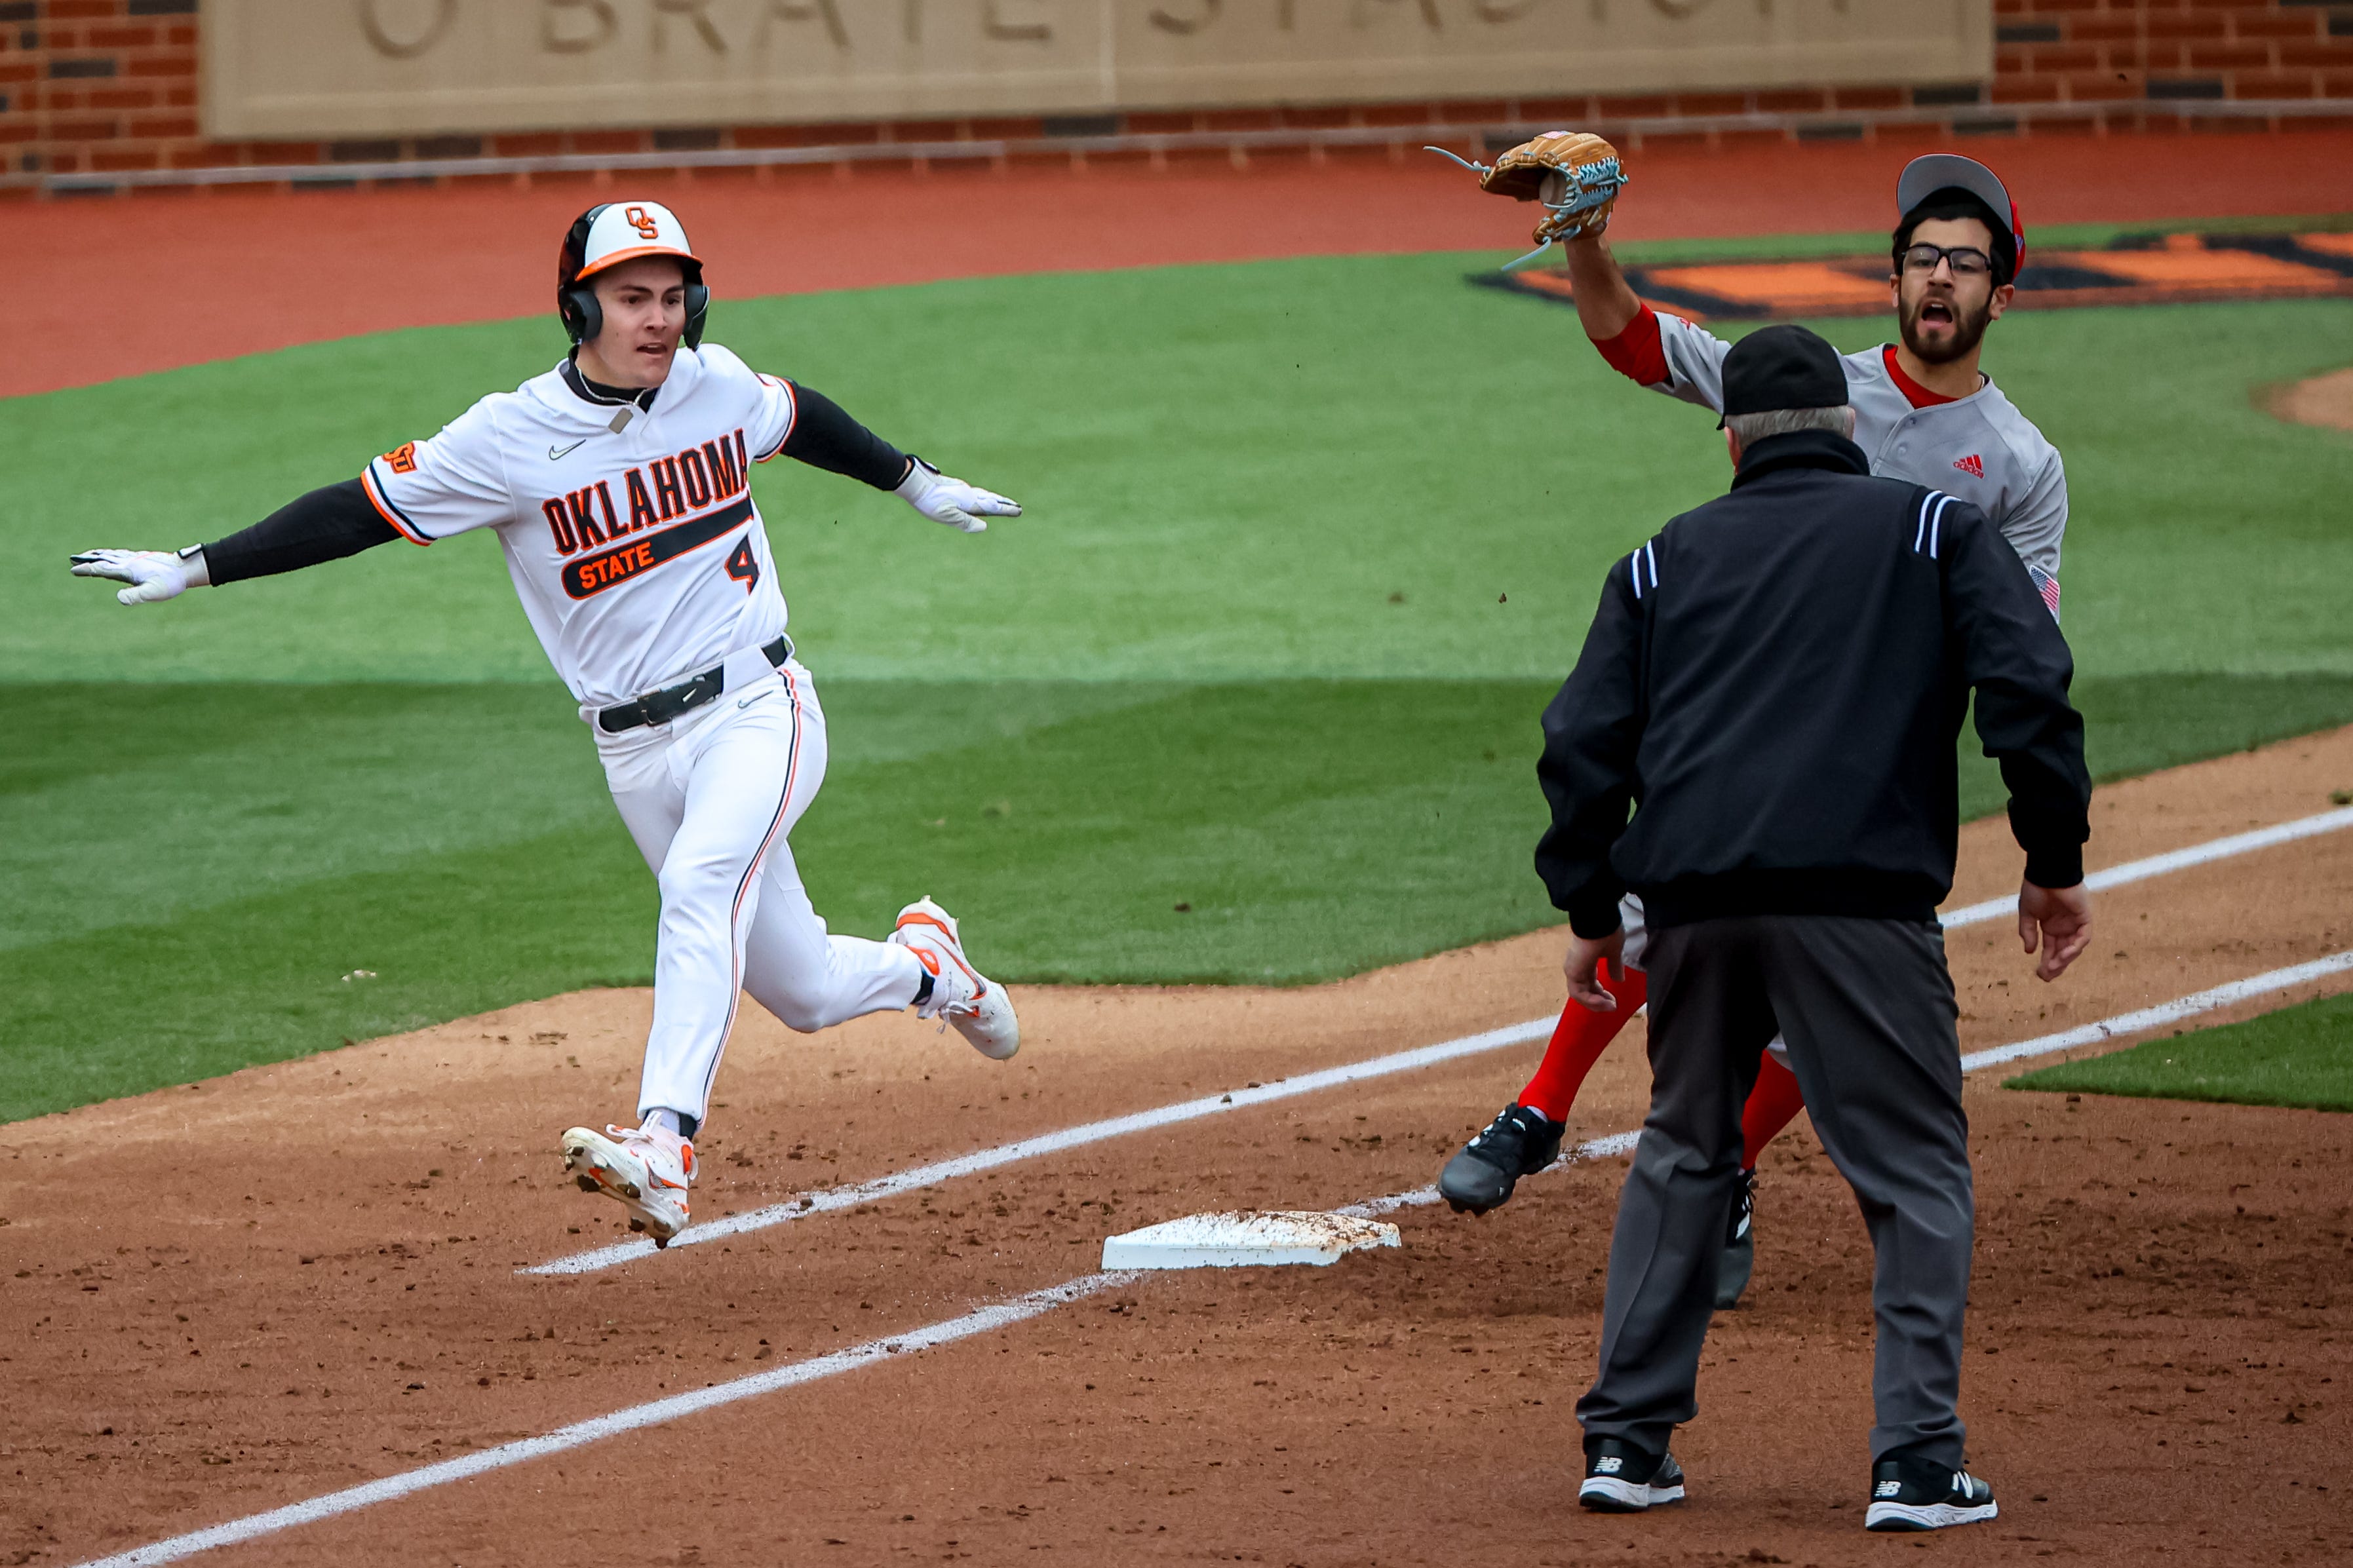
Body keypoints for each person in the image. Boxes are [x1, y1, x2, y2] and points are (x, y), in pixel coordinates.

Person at [68, 201, 1024, 1249]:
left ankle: (665, 1145)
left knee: (704, 887)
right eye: (630, 299)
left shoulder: (716, 387)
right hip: (632, 750)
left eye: (672, 298)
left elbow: (803, 418)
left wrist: (913, 482)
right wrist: (196, 565)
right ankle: (932, 967)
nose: (658, 320)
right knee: (800, 989)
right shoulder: (507, 439)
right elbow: (356, 511)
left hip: (760, 707)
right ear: (578, 309)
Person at [1439, 154, 2068, 1310]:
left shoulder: (2021, 466)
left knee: (1820, 976)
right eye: (1922, 255)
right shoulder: (1803, 381)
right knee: (1657, 910)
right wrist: (1583, 237)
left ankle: (1721, 1164)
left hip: (1877, 756)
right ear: (1892, 275)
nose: (1939, 278)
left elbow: (2022, 648)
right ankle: (1538, 1110)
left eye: (1965, 262)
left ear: (2001, 293)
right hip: (1746, 712)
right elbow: (1635, 341)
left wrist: (2038, 836)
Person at [1540, 324, 2091, 1530]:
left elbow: (1579, 745)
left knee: (1685, 1151)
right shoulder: (1936, 528)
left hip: (1690, 912)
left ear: (1729, 441)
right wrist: (2052, 859)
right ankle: (1915, 1462)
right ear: (1849, 432)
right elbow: (2028, 688)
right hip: (1859, 908)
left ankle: (1625, 1446)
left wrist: (1590, 904)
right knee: (1911, 1172)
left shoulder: (1657, 559)